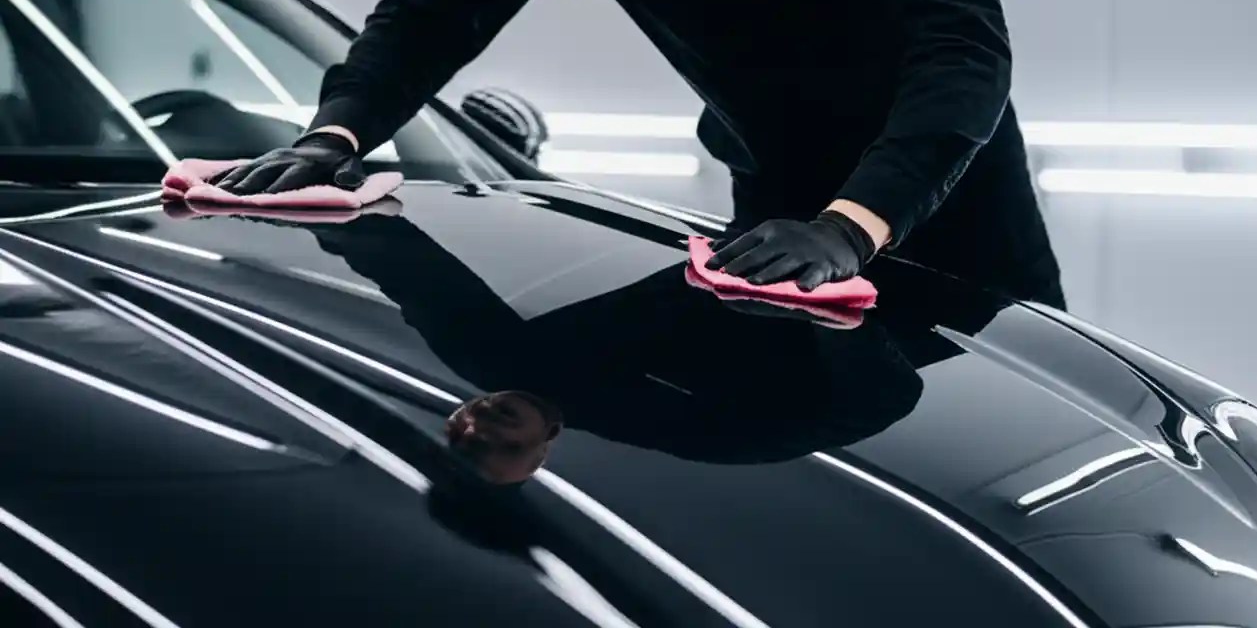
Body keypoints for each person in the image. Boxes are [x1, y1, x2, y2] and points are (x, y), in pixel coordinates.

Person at [214, 0, 1065, 308]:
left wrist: (851, 226)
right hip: (772, 186)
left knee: (993, 420)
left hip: (942, 187)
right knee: (800, 434)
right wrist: (341, 128)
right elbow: (439, 6)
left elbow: (963, 50)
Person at [306, 214, 925, 484]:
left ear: (453, 417)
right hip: (919, 303)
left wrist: (330, 210)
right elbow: (882, 405)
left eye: (462, 438)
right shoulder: (675, 436)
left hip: (790, 211)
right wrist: (832, 314)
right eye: (502, 446)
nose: (482, 428)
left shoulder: (488, 358)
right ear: (544, 448)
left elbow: (410, 274)